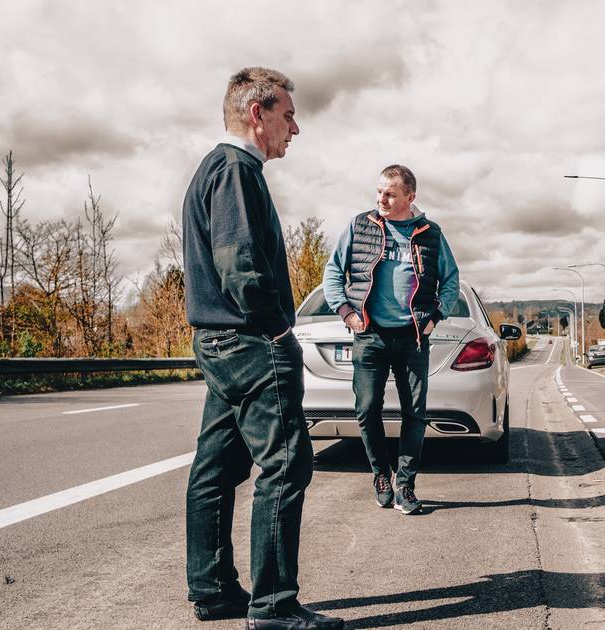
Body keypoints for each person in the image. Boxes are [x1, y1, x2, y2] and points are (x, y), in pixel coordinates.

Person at [182, 67, 343, 630]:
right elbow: (240, 265)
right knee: (287, 465)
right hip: (250, 343)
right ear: (258, 113)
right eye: (288, 116)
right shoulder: (235, 170)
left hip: (219, 343)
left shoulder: (215, 168)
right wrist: (277, 330)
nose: (295, 128)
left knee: (216, 468)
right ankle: (274, 608)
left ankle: (212, 589)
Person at [322, 164, 460, 516]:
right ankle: (381, 475)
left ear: (410, 197)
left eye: (390, 194)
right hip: (370, 335)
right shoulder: (360, 225)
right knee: (367, 408)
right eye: (379, 192)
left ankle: (406, 485)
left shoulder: (430, 233)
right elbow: (333, 272)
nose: (381, 199)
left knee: (415, 412)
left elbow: (451, 279)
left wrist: (435, 317)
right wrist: (347, 314)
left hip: (413, 337)